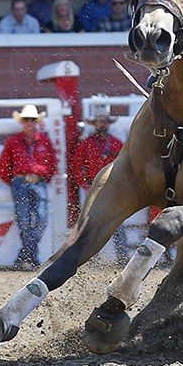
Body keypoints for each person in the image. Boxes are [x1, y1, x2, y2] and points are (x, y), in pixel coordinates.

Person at [0, 104, 58, 269]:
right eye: (26, 120)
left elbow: (52, 164)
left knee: (42, 219)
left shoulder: (44, 141)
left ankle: (24, 256)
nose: (29, 123)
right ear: (22, 122)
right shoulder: (13, 142)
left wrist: (44, 177)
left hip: (39, 181)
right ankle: (31, 257)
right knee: (24, 221)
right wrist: (15, 182)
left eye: (32, 120)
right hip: (21, 182)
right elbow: (3, 168)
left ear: (36, 121)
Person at [71, 102, 128, 263]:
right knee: (90, 223)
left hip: (113, 188)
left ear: (108, 123)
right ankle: (89, 258)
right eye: (99, 121)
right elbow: (77, 167)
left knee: (117, 222)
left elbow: (125, 167)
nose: (101, 124)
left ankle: (122, 256)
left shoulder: (117, 144)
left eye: (104, 121)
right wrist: (86, 186)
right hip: (92, 187)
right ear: (94, 124)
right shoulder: (86, 145)